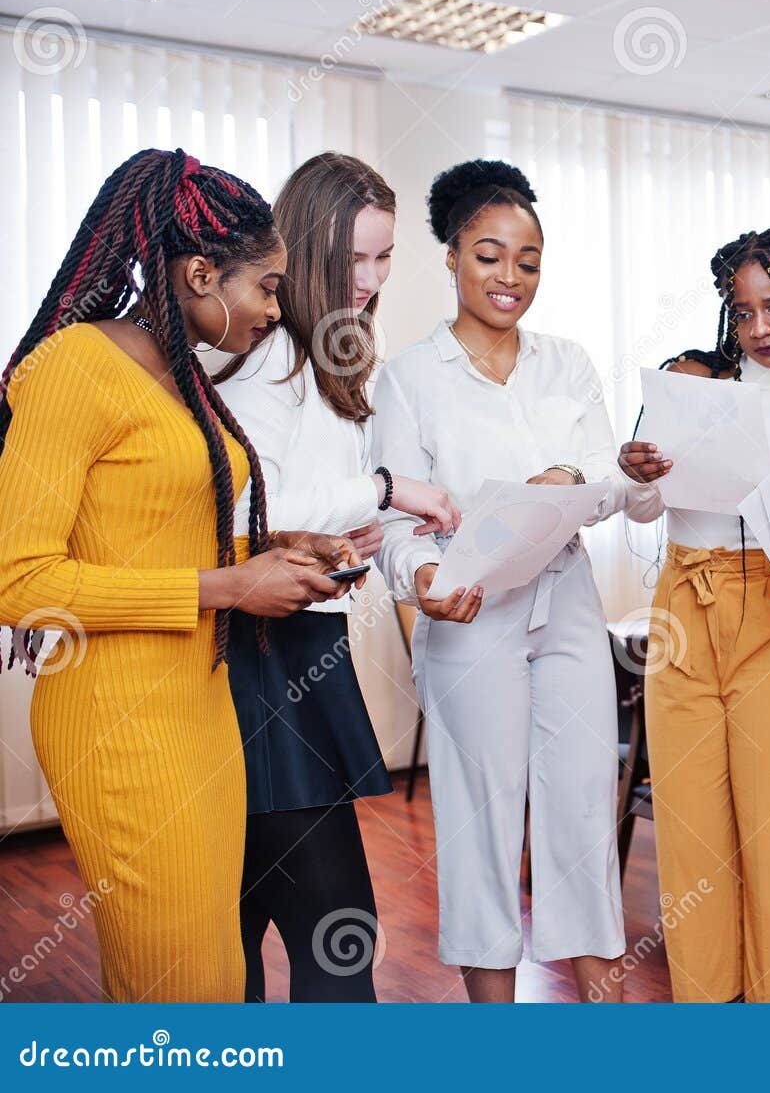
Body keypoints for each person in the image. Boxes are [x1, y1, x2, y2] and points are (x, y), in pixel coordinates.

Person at [0, 148, 357, 1002]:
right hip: (116, 717)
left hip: (199, 704)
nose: (278, 308)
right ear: (200, 271)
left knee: (200, 971)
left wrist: (278, 551)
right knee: (185, 980)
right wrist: (232, 589)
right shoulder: (71, 367)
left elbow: (154, 541)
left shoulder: (176, 369)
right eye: (266, 287)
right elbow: (21, 580)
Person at [371, 159, 643, 1002]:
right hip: (470, 612)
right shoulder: (408, 377)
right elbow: (387, 517)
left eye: (528, 260)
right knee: (481, 819)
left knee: (585, 811)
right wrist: (423, 576)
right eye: (490, 255)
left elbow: (612, 480)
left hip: (564, 603)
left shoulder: (567, 364)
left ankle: (604, 1005)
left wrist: (567, 475)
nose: (510, 277)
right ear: (451, 256)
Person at [213, 153, 462, 1002]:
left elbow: (301, 508)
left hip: (298, 651)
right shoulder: (271, 352)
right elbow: (259, 495)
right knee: (335, 939)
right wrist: (389, 489)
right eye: (355, 257)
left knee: (248, 931)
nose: (371, 278)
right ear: (305, 247)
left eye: (385, 257)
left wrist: (351, 535)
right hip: (262, 666)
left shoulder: (324, 353)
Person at [617, 227, 770, 1002]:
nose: (759, 327)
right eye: (743, 309)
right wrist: (635, 472)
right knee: (692, 840)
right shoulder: (686, 384)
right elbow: (638, 510)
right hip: (684, 611)